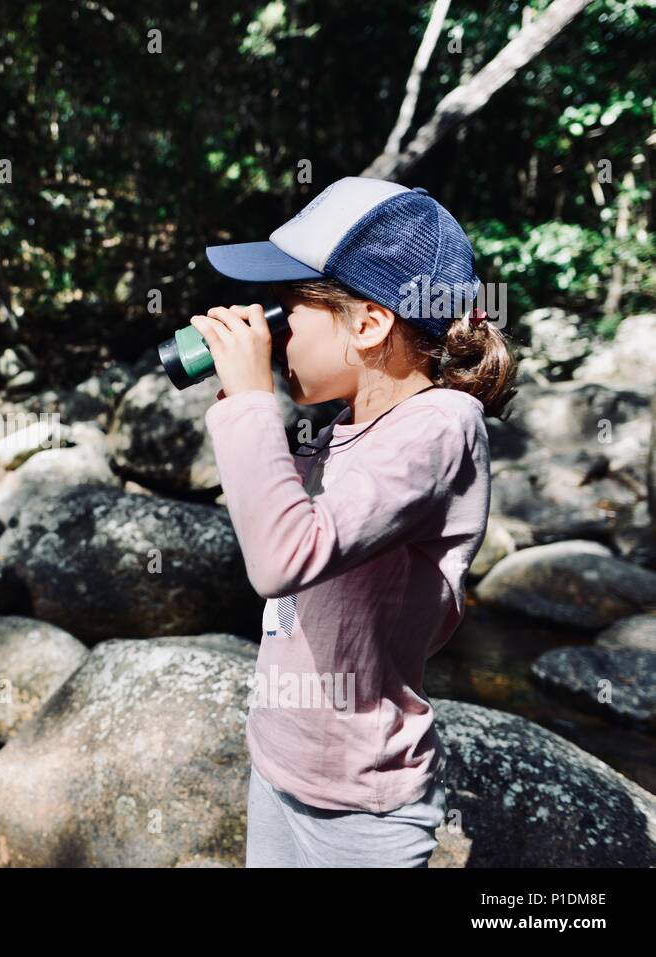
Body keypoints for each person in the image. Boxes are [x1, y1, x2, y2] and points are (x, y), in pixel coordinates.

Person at [191, 176, 516, 868]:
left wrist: (253, 403)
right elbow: (274, 528)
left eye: (287, 312)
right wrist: (248, 408)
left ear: (369, 325)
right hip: (281, 762)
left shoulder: (441, 428)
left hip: (362, 804)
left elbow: (284, 555)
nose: (273, 333)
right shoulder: (347, 426)